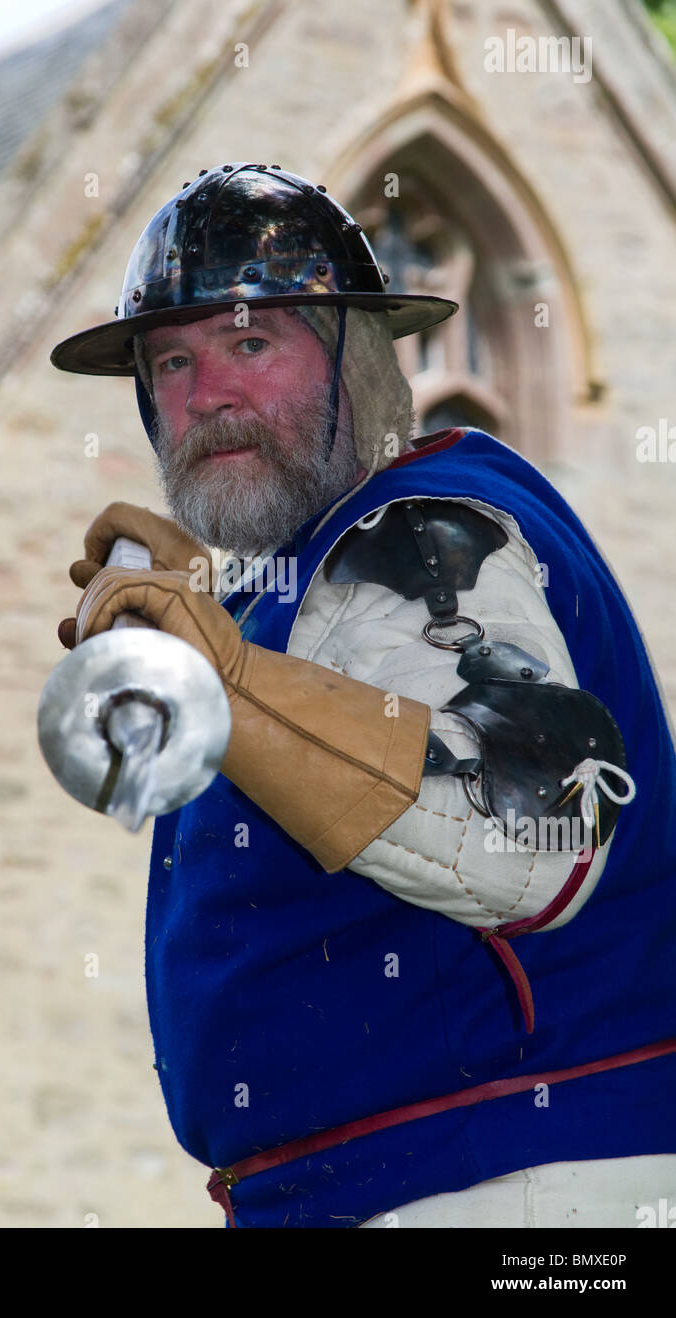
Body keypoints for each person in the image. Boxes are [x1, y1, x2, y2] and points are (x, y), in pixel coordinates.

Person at [50, 163, 676, 1229]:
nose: (209, 394)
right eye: (172, 362)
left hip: (501, 1183)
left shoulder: (421, 529)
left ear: (356, 356)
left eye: (252, 343)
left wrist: (232, 682)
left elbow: (535, 839)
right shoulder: (318, 569)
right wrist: (230, 638)